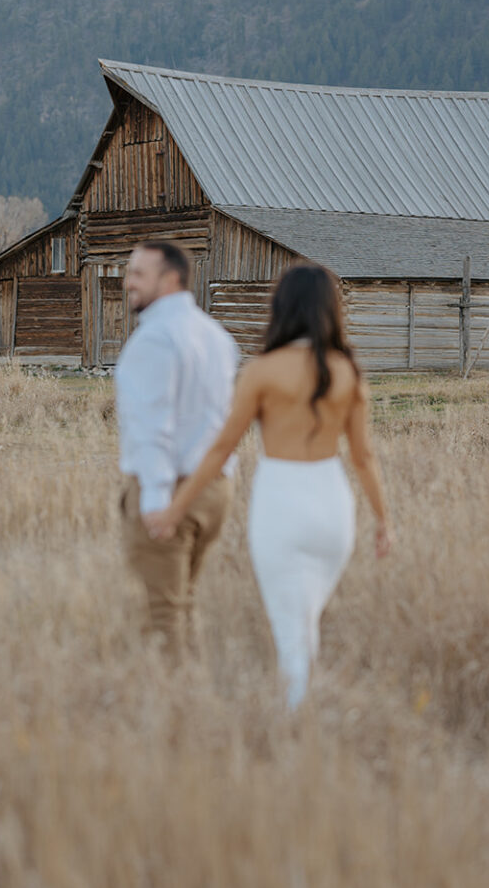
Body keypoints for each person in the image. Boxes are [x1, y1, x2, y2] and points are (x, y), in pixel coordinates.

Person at [146, 264, 391, 706]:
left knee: (291, 631)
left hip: (282, 504)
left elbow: (221, 449)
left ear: (281, 308)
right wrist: (384, 520)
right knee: (305, 622)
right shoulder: (347, 371)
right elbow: (363, 457)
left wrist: (175, 509)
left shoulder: (262, 372)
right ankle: (309, 709)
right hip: (333, 509)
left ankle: (296, 723)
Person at [114, 241, 240, 661]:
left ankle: (173, 693)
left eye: (138, 274)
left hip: (172, 490)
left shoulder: (154, 339)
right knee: (183, 600)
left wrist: (155, 501)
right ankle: (194, 684)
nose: (128, 282)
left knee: (160, 616)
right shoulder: (216, 336)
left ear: (169, 279)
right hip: (214, 489)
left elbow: (154, 427)